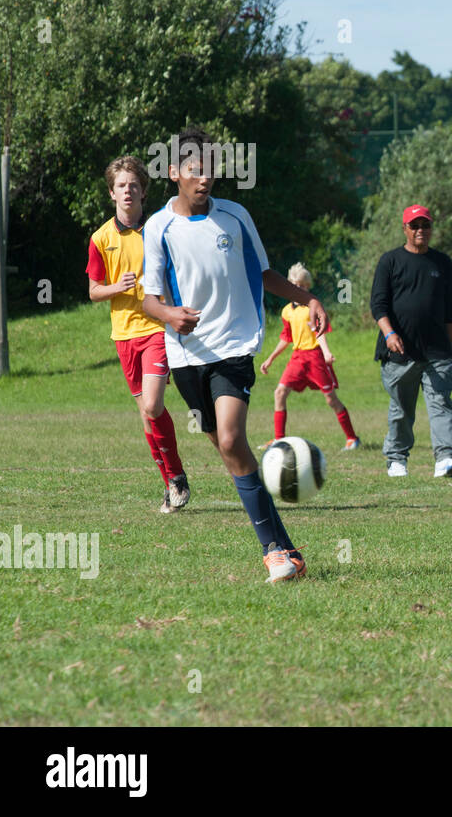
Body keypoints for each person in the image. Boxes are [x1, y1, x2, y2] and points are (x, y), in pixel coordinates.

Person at [141, 126, 329, 583]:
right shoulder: (158, 227)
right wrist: (169, 314)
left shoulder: (236, 217)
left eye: (210, 170)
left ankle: (272, 553)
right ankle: (288, 550)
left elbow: (263, 273)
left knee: (230, 440)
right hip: (186, 356)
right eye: (194, 170)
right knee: (234, 455)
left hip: (234, 347)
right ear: (174, 173)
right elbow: (148, 299)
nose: (204, 179)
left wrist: (309, 300)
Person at [86, 155, 190, 514]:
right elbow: (93, 290)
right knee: (146, 415)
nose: (127, 191)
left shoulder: (161, 229)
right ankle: (170, 485)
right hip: (124, 334)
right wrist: (117, 286)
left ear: (144, 192)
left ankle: (176, 477)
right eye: (121, 186)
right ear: (112, 194)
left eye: (134, 185)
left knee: (152, 404)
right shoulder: (100, 238)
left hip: (157, 329)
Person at [371, 205, 452, 478]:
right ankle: (396, 458)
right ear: (405, 229)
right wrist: (389, 334)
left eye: (425, 225)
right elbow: (378, 305)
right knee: (401, 408)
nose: (421, 230)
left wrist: (451, 347)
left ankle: (446, 458)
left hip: (437, 350)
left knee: (441, 404)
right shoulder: (390, 261)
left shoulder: (443, 262)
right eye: (415, 226)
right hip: (400, 351)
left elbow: (449, 310)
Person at [258, 262, 360, 451]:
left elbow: (319, 333)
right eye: (296, 285)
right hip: (297, 358)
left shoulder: (311, 309)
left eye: (304, 286)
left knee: (331, 399)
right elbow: (286, 337)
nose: (300, 288)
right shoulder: (287, 311)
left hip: (315, 358)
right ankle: (279, 439)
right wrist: (270, 358)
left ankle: (352, 438)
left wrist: (327, 353)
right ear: (289, 284)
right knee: (279, 393)